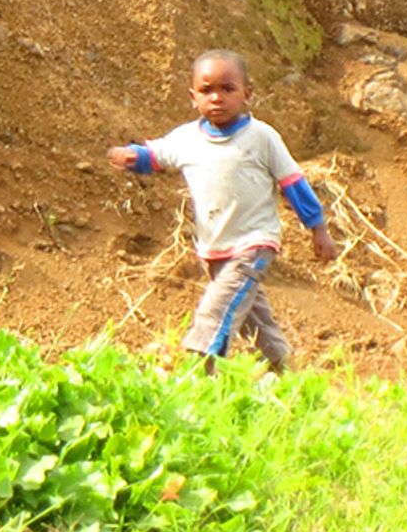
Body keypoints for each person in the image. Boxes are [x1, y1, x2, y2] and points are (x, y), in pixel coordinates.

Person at [108, 49, 339, 370]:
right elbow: (156, 154)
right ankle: (284, 369)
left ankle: (199, 372)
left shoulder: (261, 137)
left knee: (216, 310)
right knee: (252, 316)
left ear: (247, 94)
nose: (216, 98)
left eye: (227, 89)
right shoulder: (187, 138)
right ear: (193, 97)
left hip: (254, 243)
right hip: (214, 247)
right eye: (206, 90)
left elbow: (293, 182)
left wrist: (318, 227)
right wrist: (132, 156)